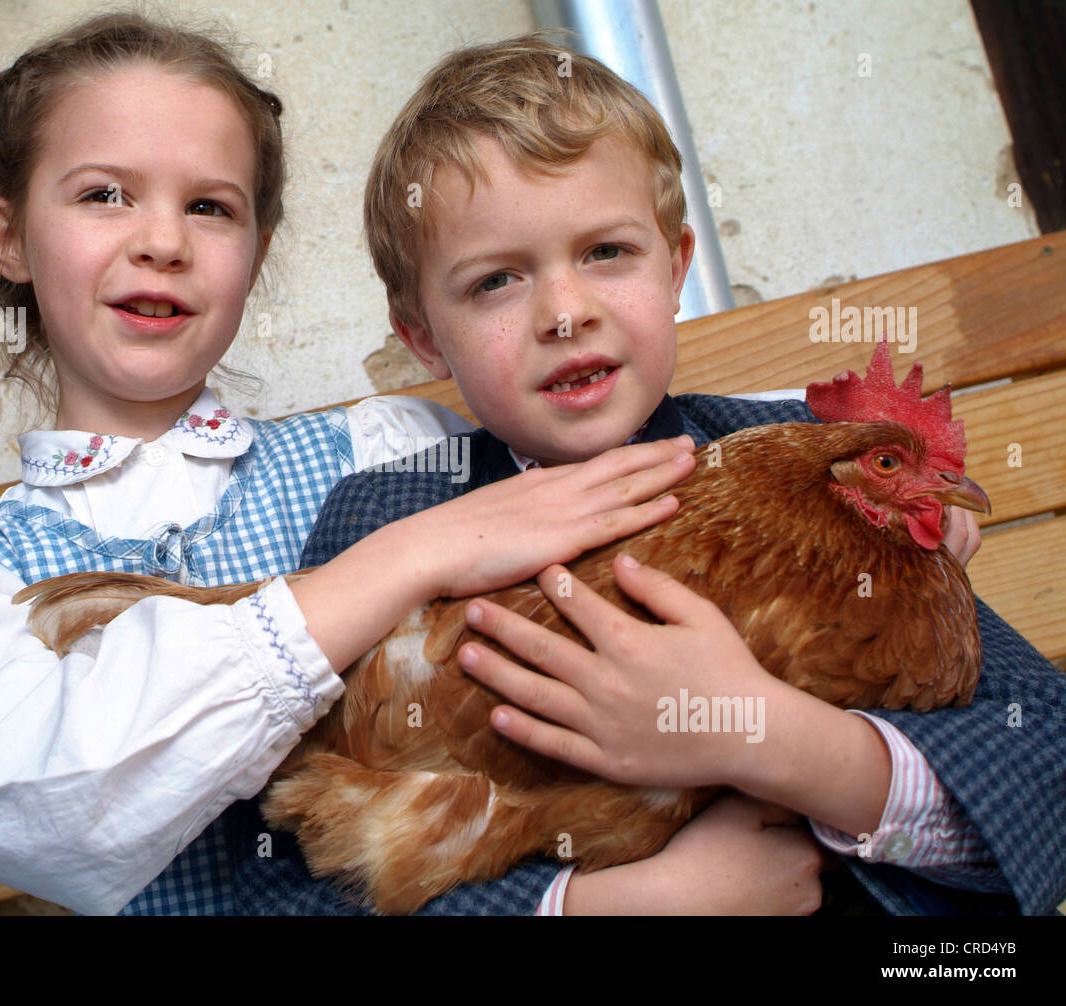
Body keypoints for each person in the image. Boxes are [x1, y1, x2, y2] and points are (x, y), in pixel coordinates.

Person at [0, 12, 727, 916]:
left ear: (257, 251)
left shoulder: (390, 453)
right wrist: (406, 559)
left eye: (210, 206)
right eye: (104, 195)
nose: (163, 240)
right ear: (7, 236)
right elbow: (50, 814)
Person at [274, 34, 1065, 915]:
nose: (565, 313)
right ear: (422, 337)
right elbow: (292, 866)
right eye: (496, 280)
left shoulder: (814, 468)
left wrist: (776, 742)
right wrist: (613, 905)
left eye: (606, 252)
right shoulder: (394, 521)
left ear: (677, 265)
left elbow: (1046, 760)